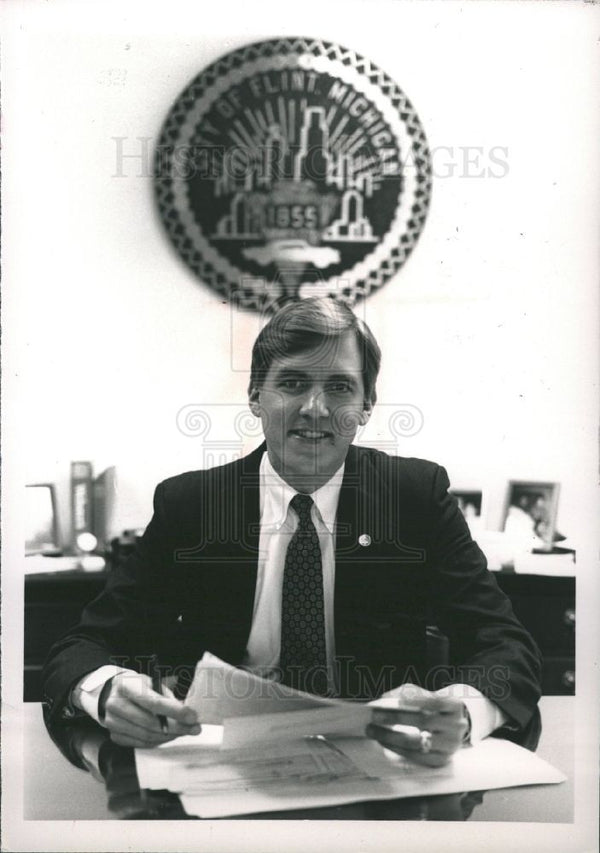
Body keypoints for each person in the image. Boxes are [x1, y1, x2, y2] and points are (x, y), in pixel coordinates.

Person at [42, 298, 542, 766]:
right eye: (294, 383)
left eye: (340, 387)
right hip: (220, 757)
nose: (315, 408)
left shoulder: (414, 497)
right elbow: (85, 646)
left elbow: (504, 642)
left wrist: (464, 709)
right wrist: (107, 690)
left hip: (381, 759)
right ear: (256, 396)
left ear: (367, 405)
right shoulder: (192, 506)